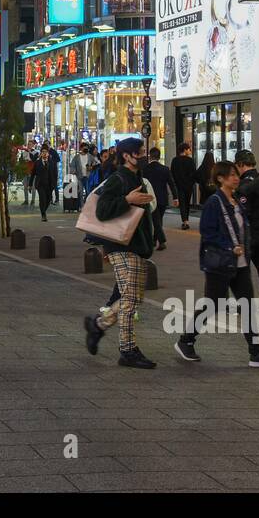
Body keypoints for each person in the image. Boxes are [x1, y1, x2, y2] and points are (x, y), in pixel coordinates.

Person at [175, 161, 259, 369]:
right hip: (221, 263)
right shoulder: (214, 202)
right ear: (220, 179)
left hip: (240, 263)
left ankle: (256, 353)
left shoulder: (236, 201)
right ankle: (186, 340)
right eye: (231, 175)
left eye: (236, 174)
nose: (236, 177)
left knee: (248, 305)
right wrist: (228, 247)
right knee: (213, 303)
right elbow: (207, 232)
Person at [82, 137, 158, 369]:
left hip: (137, 245)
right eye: (140, 152)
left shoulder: (137, 178)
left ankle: (98, 326)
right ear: (127, 156)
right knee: (129, 301)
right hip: (122, 246)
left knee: (132, 299)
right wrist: (127, 199)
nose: (143, 155)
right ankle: (128, 350)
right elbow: (103, 211)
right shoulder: (117, 179)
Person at [234, 149, 259, 309]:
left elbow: (243, 212)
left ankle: (243, 304)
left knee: (243, 270)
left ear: (241, 165)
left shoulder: (244, 185)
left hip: (247, 234)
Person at [142, 147, 174, 251]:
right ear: (159, 157)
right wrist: (176, 197)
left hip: (150, 198)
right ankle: (156, 240)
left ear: (150, 156)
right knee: (158, 219)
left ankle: (159, 241)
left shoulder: (145, 169)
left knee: (155, 220)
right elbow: (171, 183)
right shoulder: (165, 169)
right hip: (162, 198)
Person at [170, 142, 197, 230]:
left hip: (179, 185)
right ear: (185, 150)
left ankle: (185, 221)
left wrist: (176, 182)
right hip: (189, 186)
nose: (190, 151)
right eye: (189, 149)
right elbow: (194, 173)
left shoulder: (175, 160)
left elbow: (172, 173)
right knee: (187, 203)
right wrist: (191, 183)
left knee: (182, 203)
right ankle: (186, 220)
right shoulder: (190, 160)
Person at [30, 146, 56, 222]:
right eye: (43, 152)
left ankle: (44, 210)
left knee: (48, 200)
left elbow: (55, 174)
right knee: (42, 199)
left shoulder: (52, 162)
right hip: (40, 184)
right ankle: (43, 215)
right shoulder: (37, 163)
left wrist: (54, 184)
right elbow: (33, 174)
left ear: (48, 154)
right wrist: (30, 184)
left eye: (46, 152)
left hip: (49, 184)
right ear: (41, 154)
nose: (44, 153)